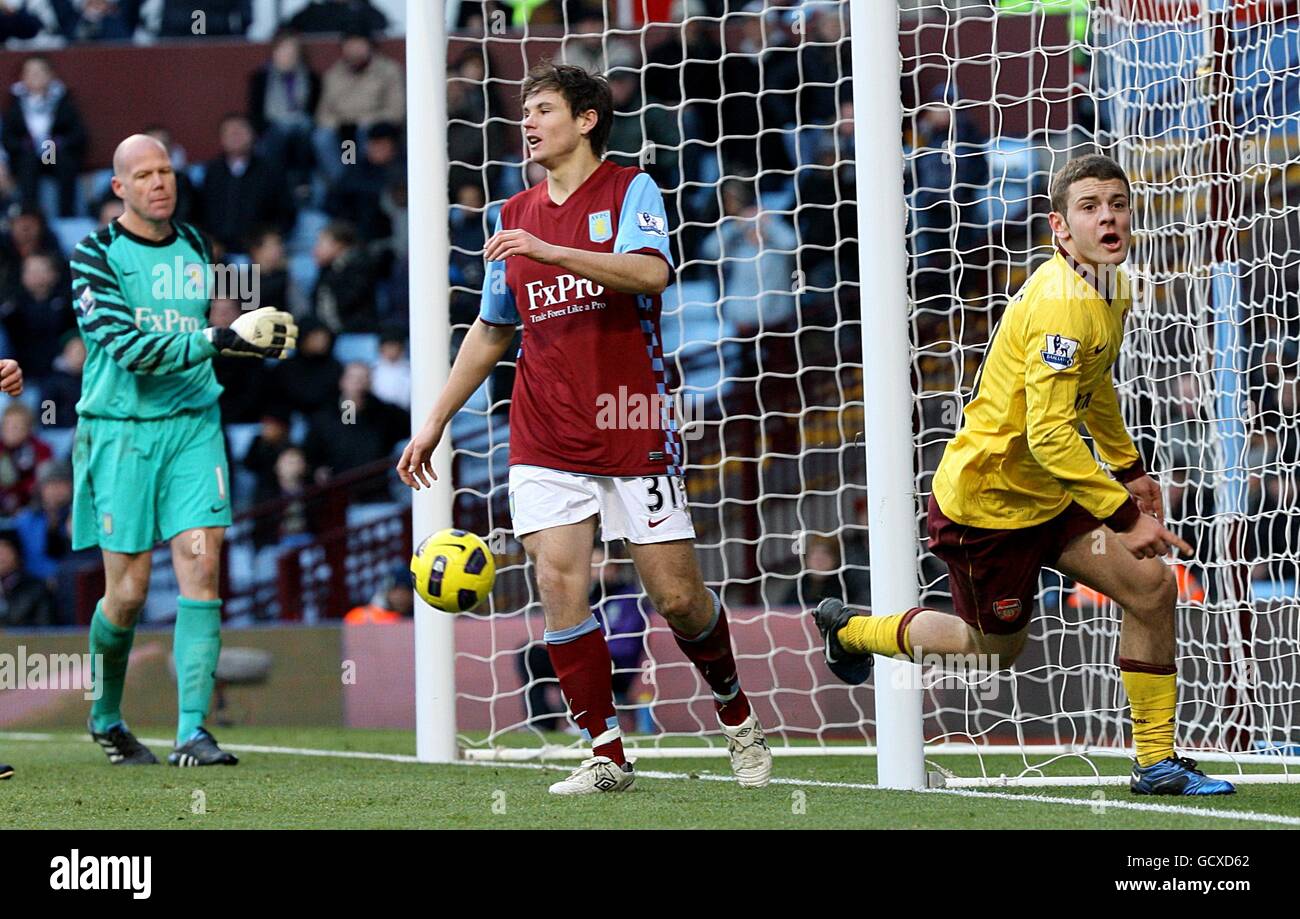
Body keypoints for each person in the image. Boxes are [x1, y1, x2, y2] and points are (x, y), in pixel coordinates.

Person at [399, 62, 772, 795]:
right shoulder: (513, 214)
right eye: (526, 111)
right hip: (543, 429)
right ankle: (606, 750)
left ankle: (737, 716)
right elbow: (491, 329)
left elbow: (650, 274)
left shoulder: (631, 188)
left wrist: (551, 251)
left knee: (677, 598)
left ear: (586, 119)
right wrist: (435, 419)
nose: (529, 123)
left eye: (542, 110)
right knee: (558, 581)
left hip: (632, 420)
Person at [811, 154, 1234, 796]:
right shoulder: (1060, 305)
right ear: (1060, 227)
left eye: (1117, 203)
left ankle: (1155, 763)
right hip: (990, 507)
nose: (1108, 216)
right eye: (1090, 207)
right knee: (991, 654)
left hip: (1053, 495)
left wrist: (1130, 468)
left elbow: (1093, 391)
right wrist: (1124, 514)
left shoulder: (1111, 286)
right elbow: (1049, 434)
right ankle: (852, 629)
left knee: (1151, 590)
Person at [69, 134, 296, 767]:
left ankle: (193, 731)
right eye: (143, 175)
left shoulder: (198, 245)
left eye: (165, 169)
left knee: (202, 565)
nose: (158, 182)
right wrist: (225, 334)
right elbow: (134, 351)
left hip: (195, 424)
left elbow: (210, 339)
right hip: (122, 431)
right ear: (120, 188)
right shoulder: (94, 256)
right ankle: (107, 717)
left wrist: (258, 340)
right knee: (131, 593)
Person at [518, 544, 649, 732]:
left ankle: (585, 723)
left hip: (616, 669)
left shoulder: (630, 598)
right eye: (591, 566)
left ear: (614, 567)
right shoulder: (586, 598)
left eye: (600, 565)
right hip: (581, 660)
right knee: (530, 655)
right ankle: (541, 721)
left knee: (587, 655)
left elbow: (627, 646)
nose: (595, 572)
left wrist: (590, 647)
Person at [1, 56, 88, 217]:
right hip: (28, 153)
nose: (35, 76)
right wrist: (22, 145)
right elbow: (8, 136)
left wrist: (60, 142)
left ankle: (66, 215)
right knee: (27, 165)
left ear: (51, 75)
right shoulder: (15, 102)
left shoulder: (62, 99)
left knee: (64, 164)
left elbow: (77, 134)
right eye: (30, 72)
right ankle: (30, 213)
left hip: (52, 151)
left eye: (40, 72)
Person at [0, 401, 52, 516]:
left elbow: (42, 481)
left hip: (33, 506)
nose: (11, 431)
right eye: (7, 425)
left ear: (29, 428)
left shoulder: (41, 449)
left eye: (16, 426)